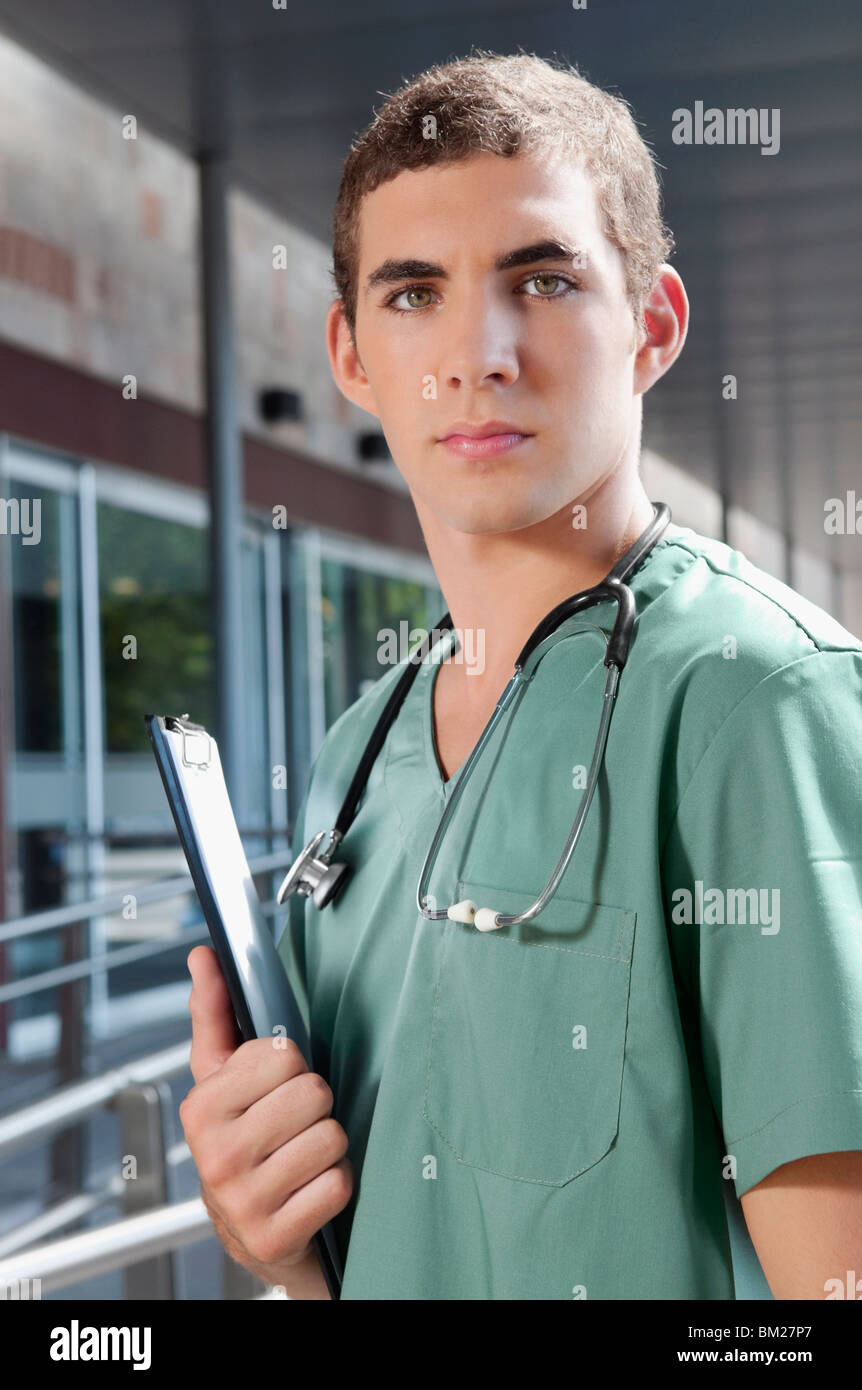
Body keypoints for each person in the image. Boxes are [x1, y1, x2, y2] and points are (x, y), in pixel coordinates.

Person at [181, 50, 862, 1300]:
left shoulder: (757, 703)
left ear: (652, 324)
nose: (476, 353)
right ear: (348, 353)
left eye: (541, 280)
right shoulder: (356, 758)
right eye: (412, 294)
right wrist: (275, 1241)